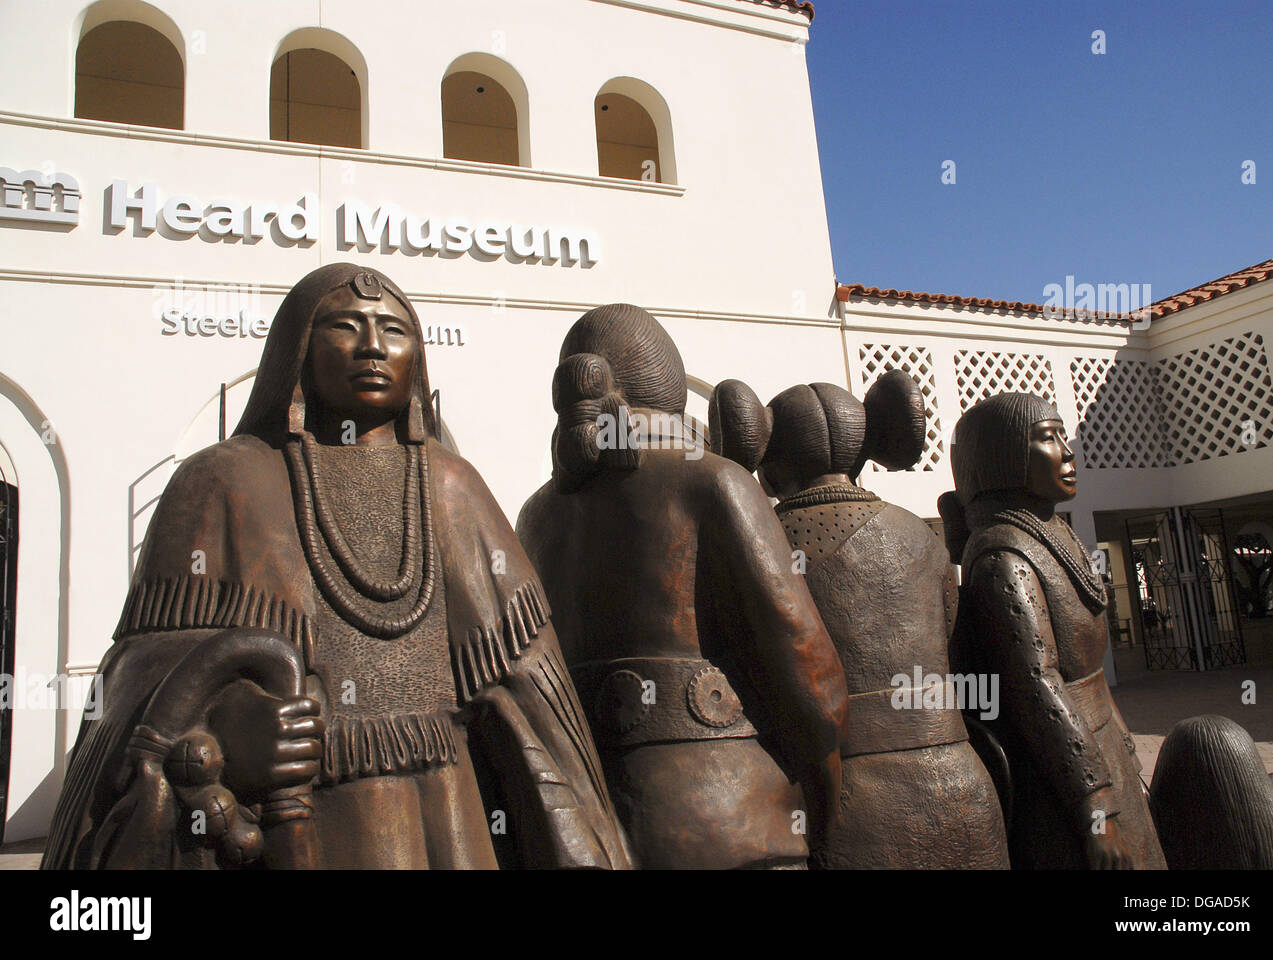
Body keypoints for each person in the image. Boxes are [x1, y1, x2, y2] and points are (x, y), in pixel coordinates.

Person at [42, 263, 630, 870]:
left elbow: (533, 685)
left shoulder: (455, 486)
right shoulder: (223, 481)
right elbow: (135, 671)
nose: (373, 346)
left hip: (452, 809)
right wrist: (227, 718)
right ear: (296, 350)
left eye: (395, 330)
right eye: (346, 326)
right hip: (303, 814)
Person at [516, 303, 847, 869]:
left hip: (595, 823)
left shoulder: (535, 516)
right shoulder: (716, 480)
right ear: (671, 386)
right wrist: (827, 795)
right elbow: (811, 676)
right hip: (732, 816)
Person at [709, 374, 1009, 869]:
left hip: (835, 800)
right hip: (958, 784)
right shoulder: (920, 535)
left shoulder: (761, 544)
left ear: (765, 466)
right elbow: (952, 637)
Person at [938, 392, 1165, 869]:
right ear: (1003, 457)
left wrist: (1122, 743)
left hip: (1101, 747)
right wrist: (1095, 807)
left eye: (1063, 435)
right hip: (1065, 776)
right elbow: (1037, 686)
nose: (1067, 451)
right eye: (1047, 438)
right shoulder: (1005, 556)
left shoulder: (1049, 531)